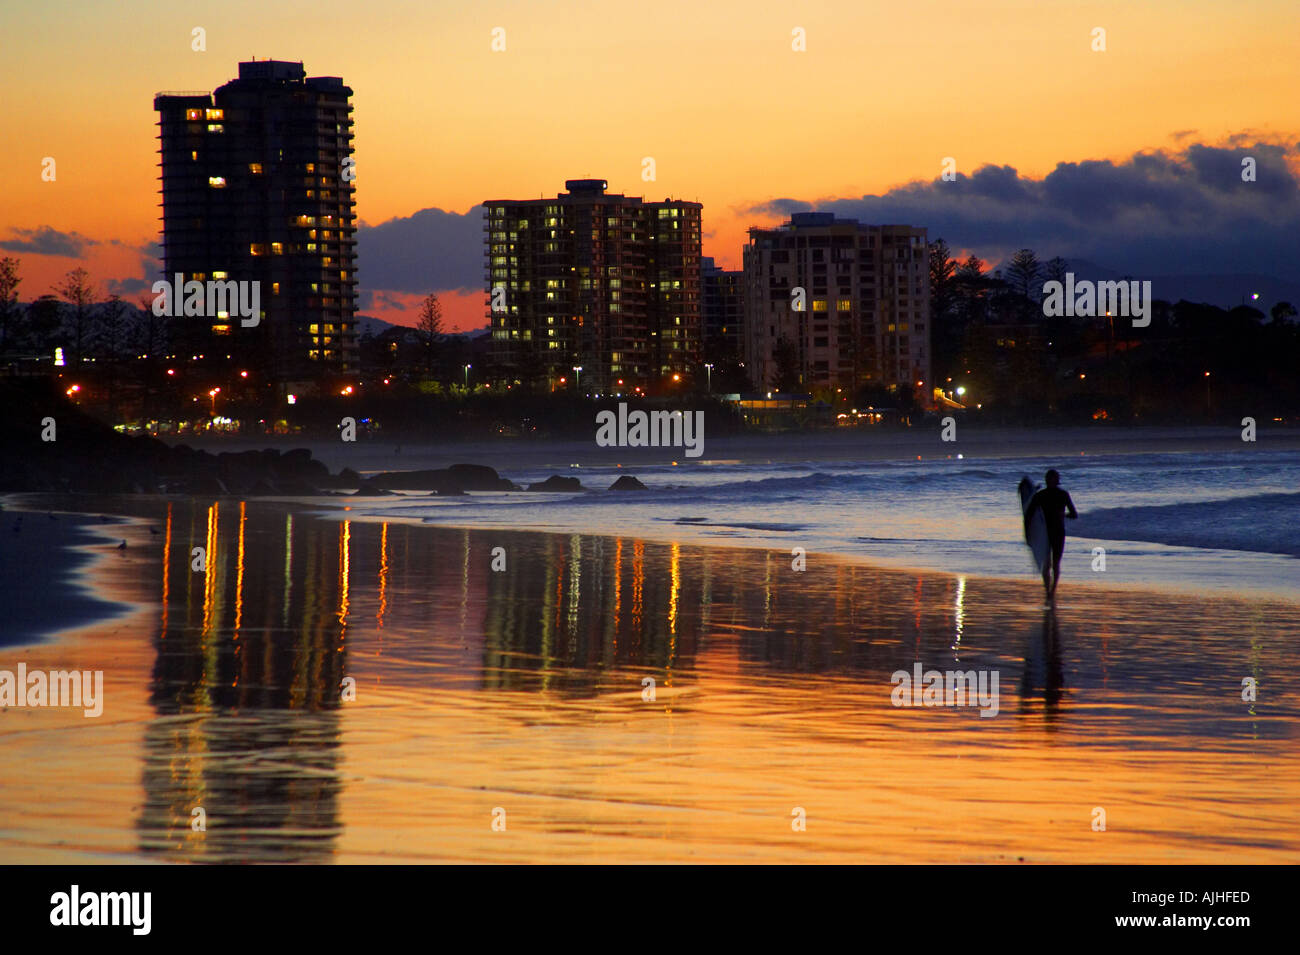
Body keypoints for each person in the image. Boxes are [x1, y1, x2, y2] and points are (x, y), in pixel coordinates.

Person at [1027, 469, 1077, 599]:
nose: (1050, 481)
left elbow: (1074, 514)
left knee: (1055, 564)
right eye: (1049, 479)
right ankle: (1047, 591)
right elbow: (1029, 515)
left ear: (1056, 480)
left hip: (1058, 532)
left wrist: (1063, 514)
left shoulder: (1063, 495)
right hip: (1044, 533)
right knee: (1047, 564)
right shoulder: (1040, 495)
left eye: (1052, 478)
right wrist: (1029, 534)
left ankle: (1052, 591)